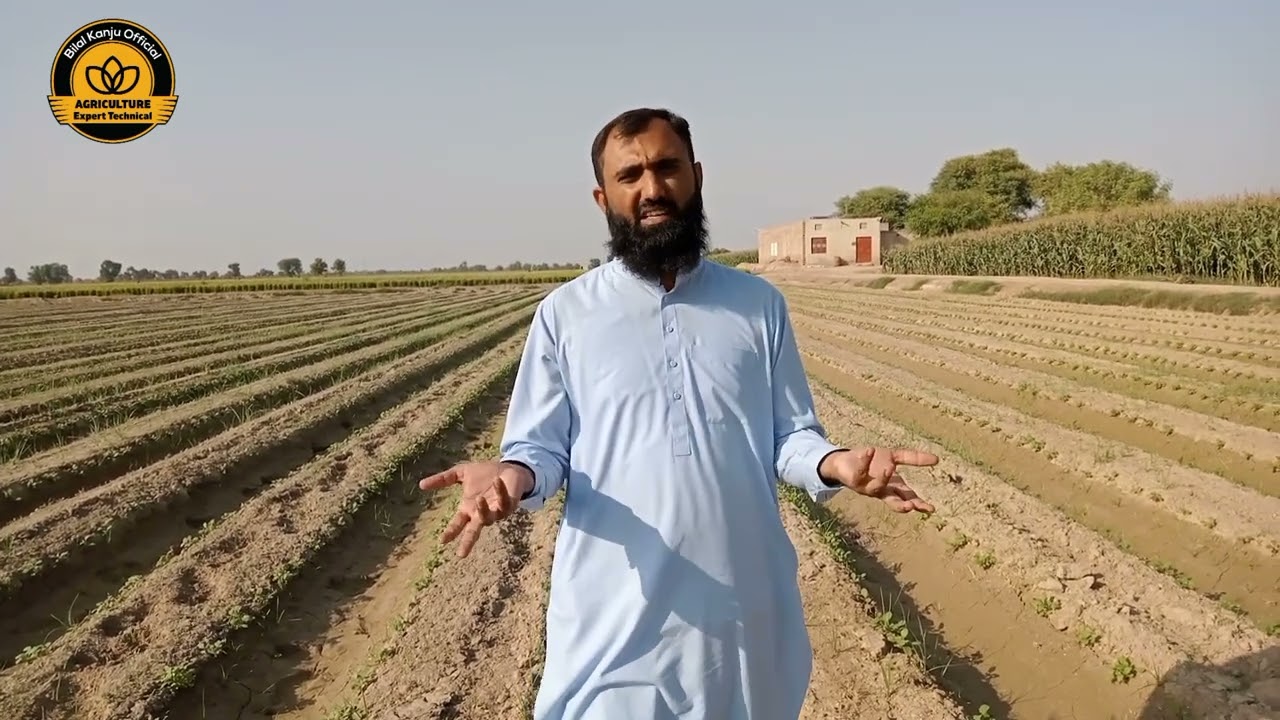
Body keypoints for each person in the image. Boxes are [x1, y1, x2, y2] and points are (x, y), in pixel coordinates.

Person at [419, 107, 939, 720]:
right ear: (602, 197)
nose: (652, 188)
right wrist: (512, 476)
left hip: (743, 615)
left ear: (695, 176)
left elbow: (791, 436)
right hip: (615, 621)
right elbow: (541, 449)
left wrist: (835, 464)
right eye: (630, 175)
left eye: (667, 168)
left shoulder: (757, 305)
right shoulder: (566, 315)